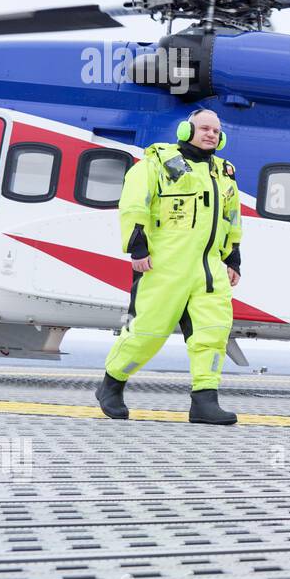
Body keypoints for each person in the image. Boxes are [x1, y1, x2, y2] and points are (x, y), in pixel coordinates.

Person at [96, 108, 244, 424]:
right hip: (164, 266)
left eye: (216, 131)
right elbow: (134, 204)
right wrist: (137, 246)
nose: (210, 135)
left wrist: (233, 258)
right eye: (204, 128)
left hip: (209, 269)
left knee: (213, 332)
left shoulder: (225, 173)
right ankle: (111, 384)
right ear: (184, 131)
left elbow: (232, 218)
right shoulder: (157, 164)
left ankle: (205, 401)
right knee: (148, 331)